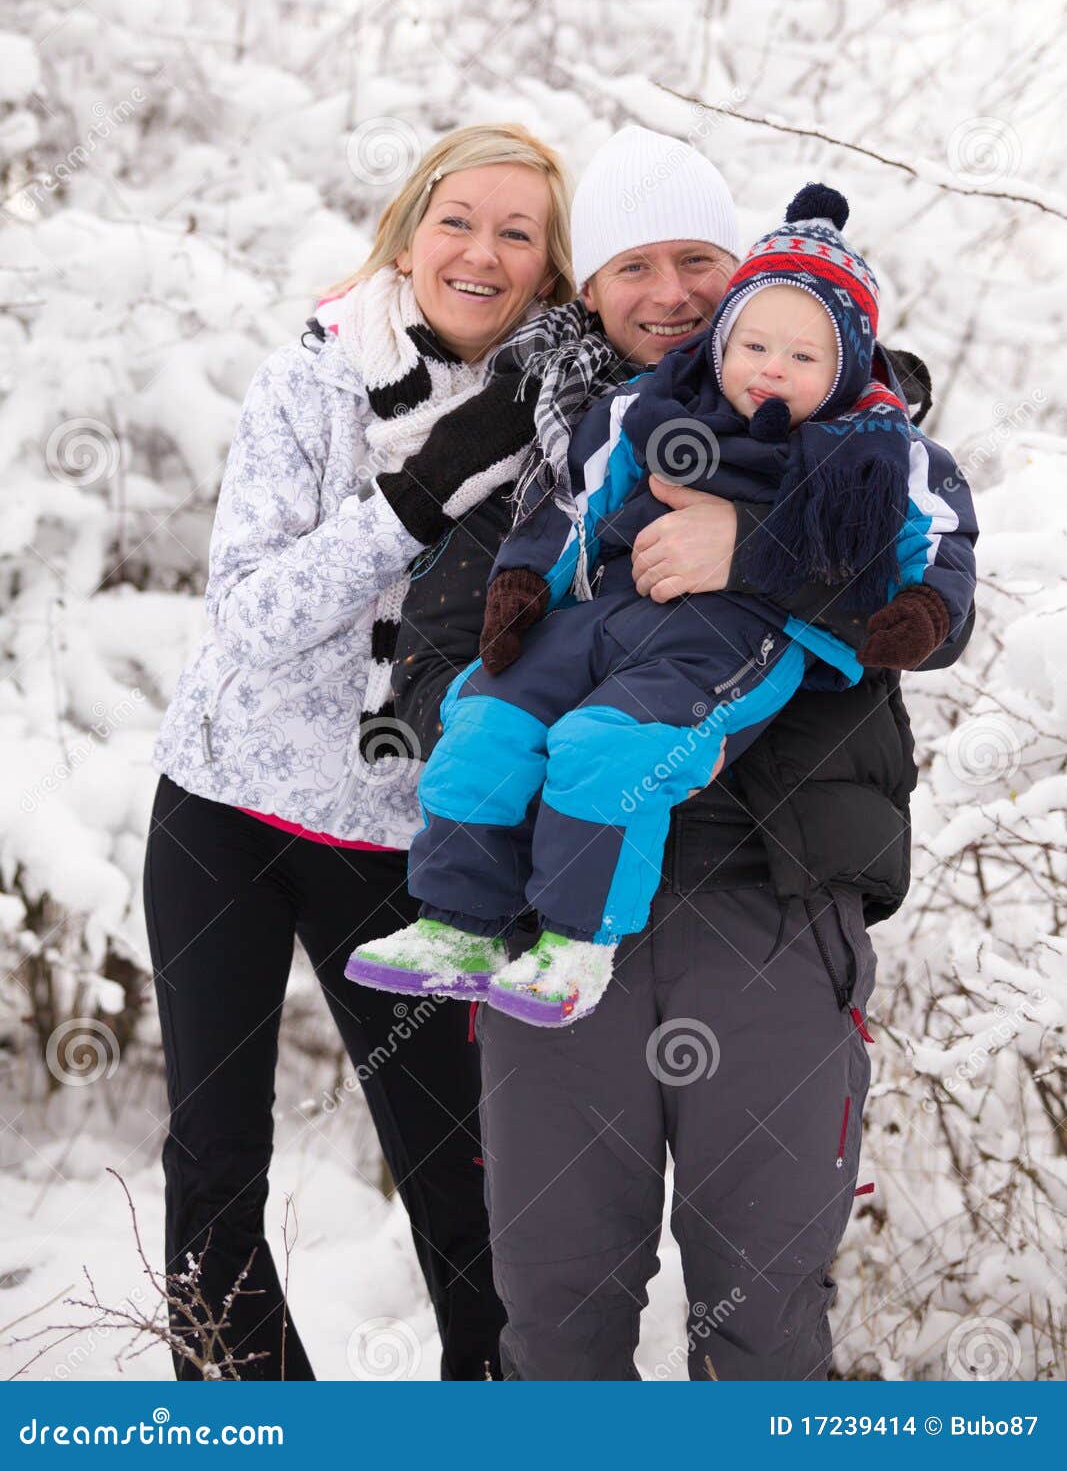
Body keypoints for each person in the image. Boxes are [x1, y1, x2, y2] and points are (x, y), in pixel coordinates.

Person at [383, 125, 976, 1379]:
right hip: (556, 924)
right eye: (630, 265)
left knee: (761, 1321)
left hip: (768, 896)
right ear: (587, 290)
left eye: (695, 259)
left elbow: (913, 615)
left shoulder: (856, 434)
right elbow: (438, 664)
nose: (667, 292)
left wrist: (747, 555)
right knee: (554, 1314)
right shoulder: (533, 467)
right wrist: (556, 686)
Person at [142, 122, 574, 1380]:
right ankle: (247, 1416)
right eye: (458, 220)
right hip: (223, 808)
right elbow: (256, 610)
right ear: (409, 227)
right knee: (216, 1152)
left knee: (458, 1165)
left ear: (548, 271)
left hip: (406, 841)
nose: (480, 252)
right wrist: (415, 493)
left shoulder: (565, 420)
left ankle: (493, 1412)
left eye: (517, 233)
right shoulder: (317, 377)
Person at [344, 183, 977, 1026]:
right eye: (753, 345)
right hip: (602, 614)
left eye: (803, 357)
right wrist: (523, 583)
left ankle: (574, 941)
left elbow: (938, 549)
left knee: (605, 746)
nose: (771, 371)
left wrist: (919, 605)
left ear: (848, 364)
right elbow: (572, 502)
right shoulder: (645, 410)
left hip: (729, 645)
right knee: (487, 716)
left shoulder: (876, 456)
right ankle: (457, 924)